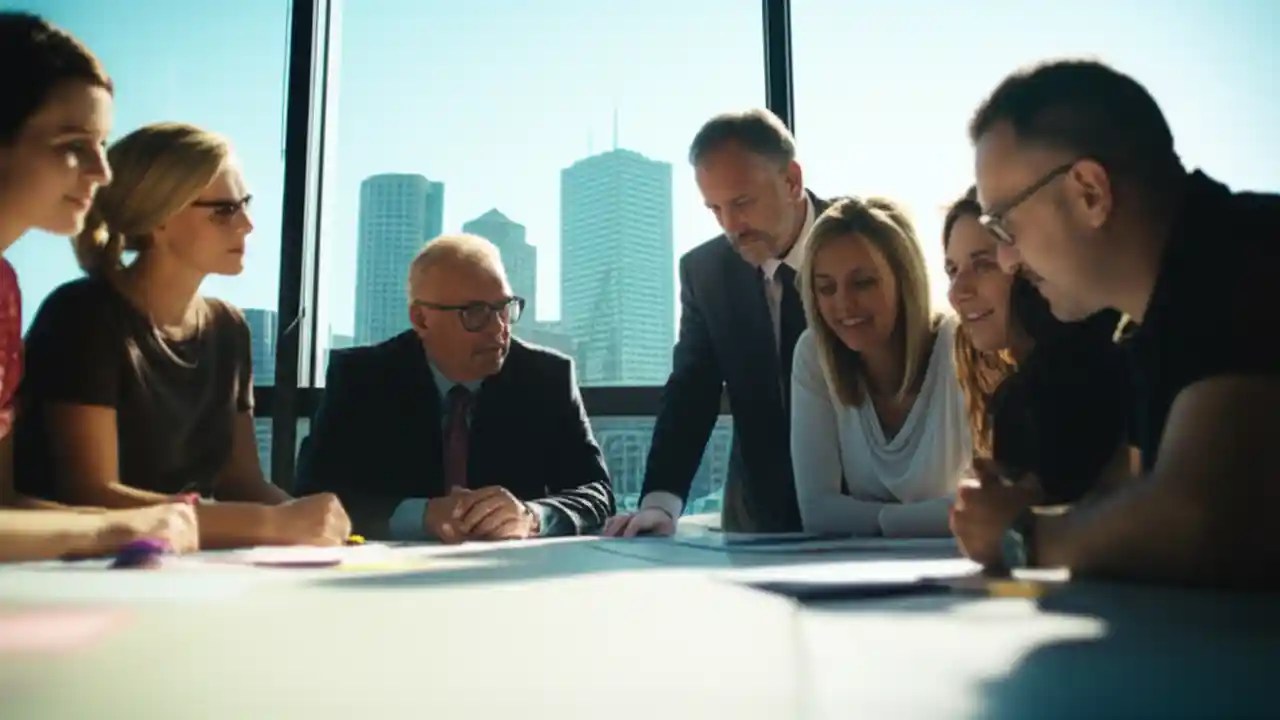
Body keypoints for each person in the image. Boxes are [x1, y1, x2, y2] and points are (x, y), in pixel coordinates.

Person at [955, 59, 1280, 587]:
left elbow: (1196, 518)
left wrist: (1024, 537)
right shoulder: (1153, 317)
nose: (1008, 260)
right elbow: (1136, 500)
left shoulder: (1240, 261)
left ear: (1090, 192)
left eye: (1004, 224)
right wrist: (1027, 509)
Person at [14, 121, 350, 548]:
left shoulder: (228, 327)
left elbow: (241, 482)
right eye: (224, 210)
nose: (247, 224)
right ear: (159, 218)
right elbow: (89, 491)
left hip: (182, 563)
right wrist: (270, 525)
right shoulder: (83, 314)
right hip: (77, 566)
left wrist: (321, 527)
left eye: (245, 204)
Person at [0, 12, 197, 561]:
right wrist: (110, 530)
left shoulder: (5, 292)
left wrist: (145, 520)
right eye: (73, 143)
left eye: (103, 143)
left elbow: (2, 503)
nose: (102, 171)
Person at [297, 234, 614, 541]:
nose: (499, 329)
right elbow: (313, 496)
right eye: (475, 313)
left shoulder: (548, 377)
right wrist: (421, 516)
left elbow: (597, 495)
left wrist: (532, 517)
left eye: (504, 307)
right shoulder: (361, 378)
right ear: (421, 319)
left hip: (512, 574)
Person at [604, 108, 827, 537]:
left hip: (868, 504)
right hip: (757, 515)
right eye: (714, 209)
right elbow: (692, 390)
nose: (730, 226)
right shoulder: (706, 272)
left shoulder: (861, 242)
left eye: (742, 203)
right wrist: (660, 503)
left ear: (792, 181)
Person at [790, 196, 969, 536]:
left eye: (863, 283)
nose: (843, 304)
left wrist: (876, 521)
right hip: (866, 574)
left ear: (905, 280)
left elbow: (986, 509)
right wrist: (930, 519)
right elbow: (816, 512)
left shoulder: (960, 346)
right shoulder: (814, 356)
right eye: (826, 288)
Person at [943, 187, 1130, 505]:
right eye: (952, 270)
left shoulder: (1045, 396)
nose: (957, 291)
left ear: (1027, 265)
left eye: (984, 264)